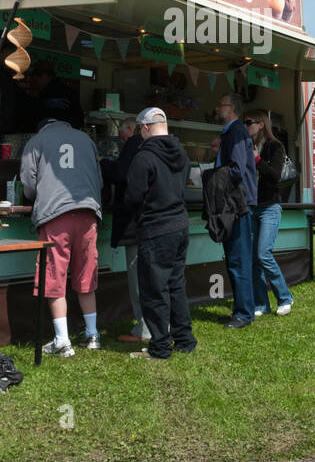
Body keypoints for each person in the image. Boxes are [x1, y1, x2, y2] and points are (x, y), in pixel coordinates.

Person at [20, 108, 104, 356]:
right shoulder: (86, 140)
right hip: (88, 213)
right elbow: (98, 179)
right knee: (86, 276)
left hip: (55, 215)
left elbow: (28, 183)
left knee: (54, 275)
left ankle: (62, 340)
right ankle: (93, 335)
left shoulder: (36, 141)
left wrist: (37, 196)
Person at [122, 108, 196, 360]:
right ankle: (184, 340)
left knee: (154, 291)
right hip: (180, 224)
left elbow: (133, 196)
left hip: (156, 228)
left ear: (144, 128)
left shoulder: (144, 158)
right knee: (176, 285)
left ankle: (160, 347)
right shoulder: (181, 153)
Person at [215, 92, 258, 328]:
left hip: (238, 203)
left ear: (231, 108)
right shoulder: (232, 133)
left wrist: (212, 176)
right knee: (234, 258)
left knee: (239, 259)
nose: (217, 109)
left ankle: (244, 313)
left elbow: (237, 169)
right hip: (235, 203)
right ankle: (240, 309)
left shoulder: (236, 133)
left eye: (220, 105)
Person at [245, 109, 293, 317]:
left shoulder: (275, 146)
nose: (246, 126)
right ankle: (261, 303)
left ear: (261, 124)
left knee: (263, 253)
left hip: (270, 207)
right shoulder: (246, 146)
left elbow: (274, 176)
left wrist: (256, 159)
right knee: (255, 259)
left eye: (249, 122)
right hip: (252, 206)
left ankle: (285, 297)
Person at [106, 119, 150, 344]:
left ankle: (144, 328)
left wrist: (106, 165)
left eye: (124, 136)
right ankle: (154, 325)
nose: (124, 141)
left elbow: (121, 174)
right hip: (153, 223)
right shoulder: (157, 147)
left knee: (137, 278)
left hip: (134, 223)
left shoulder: (135, 144)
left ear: (133, 130)